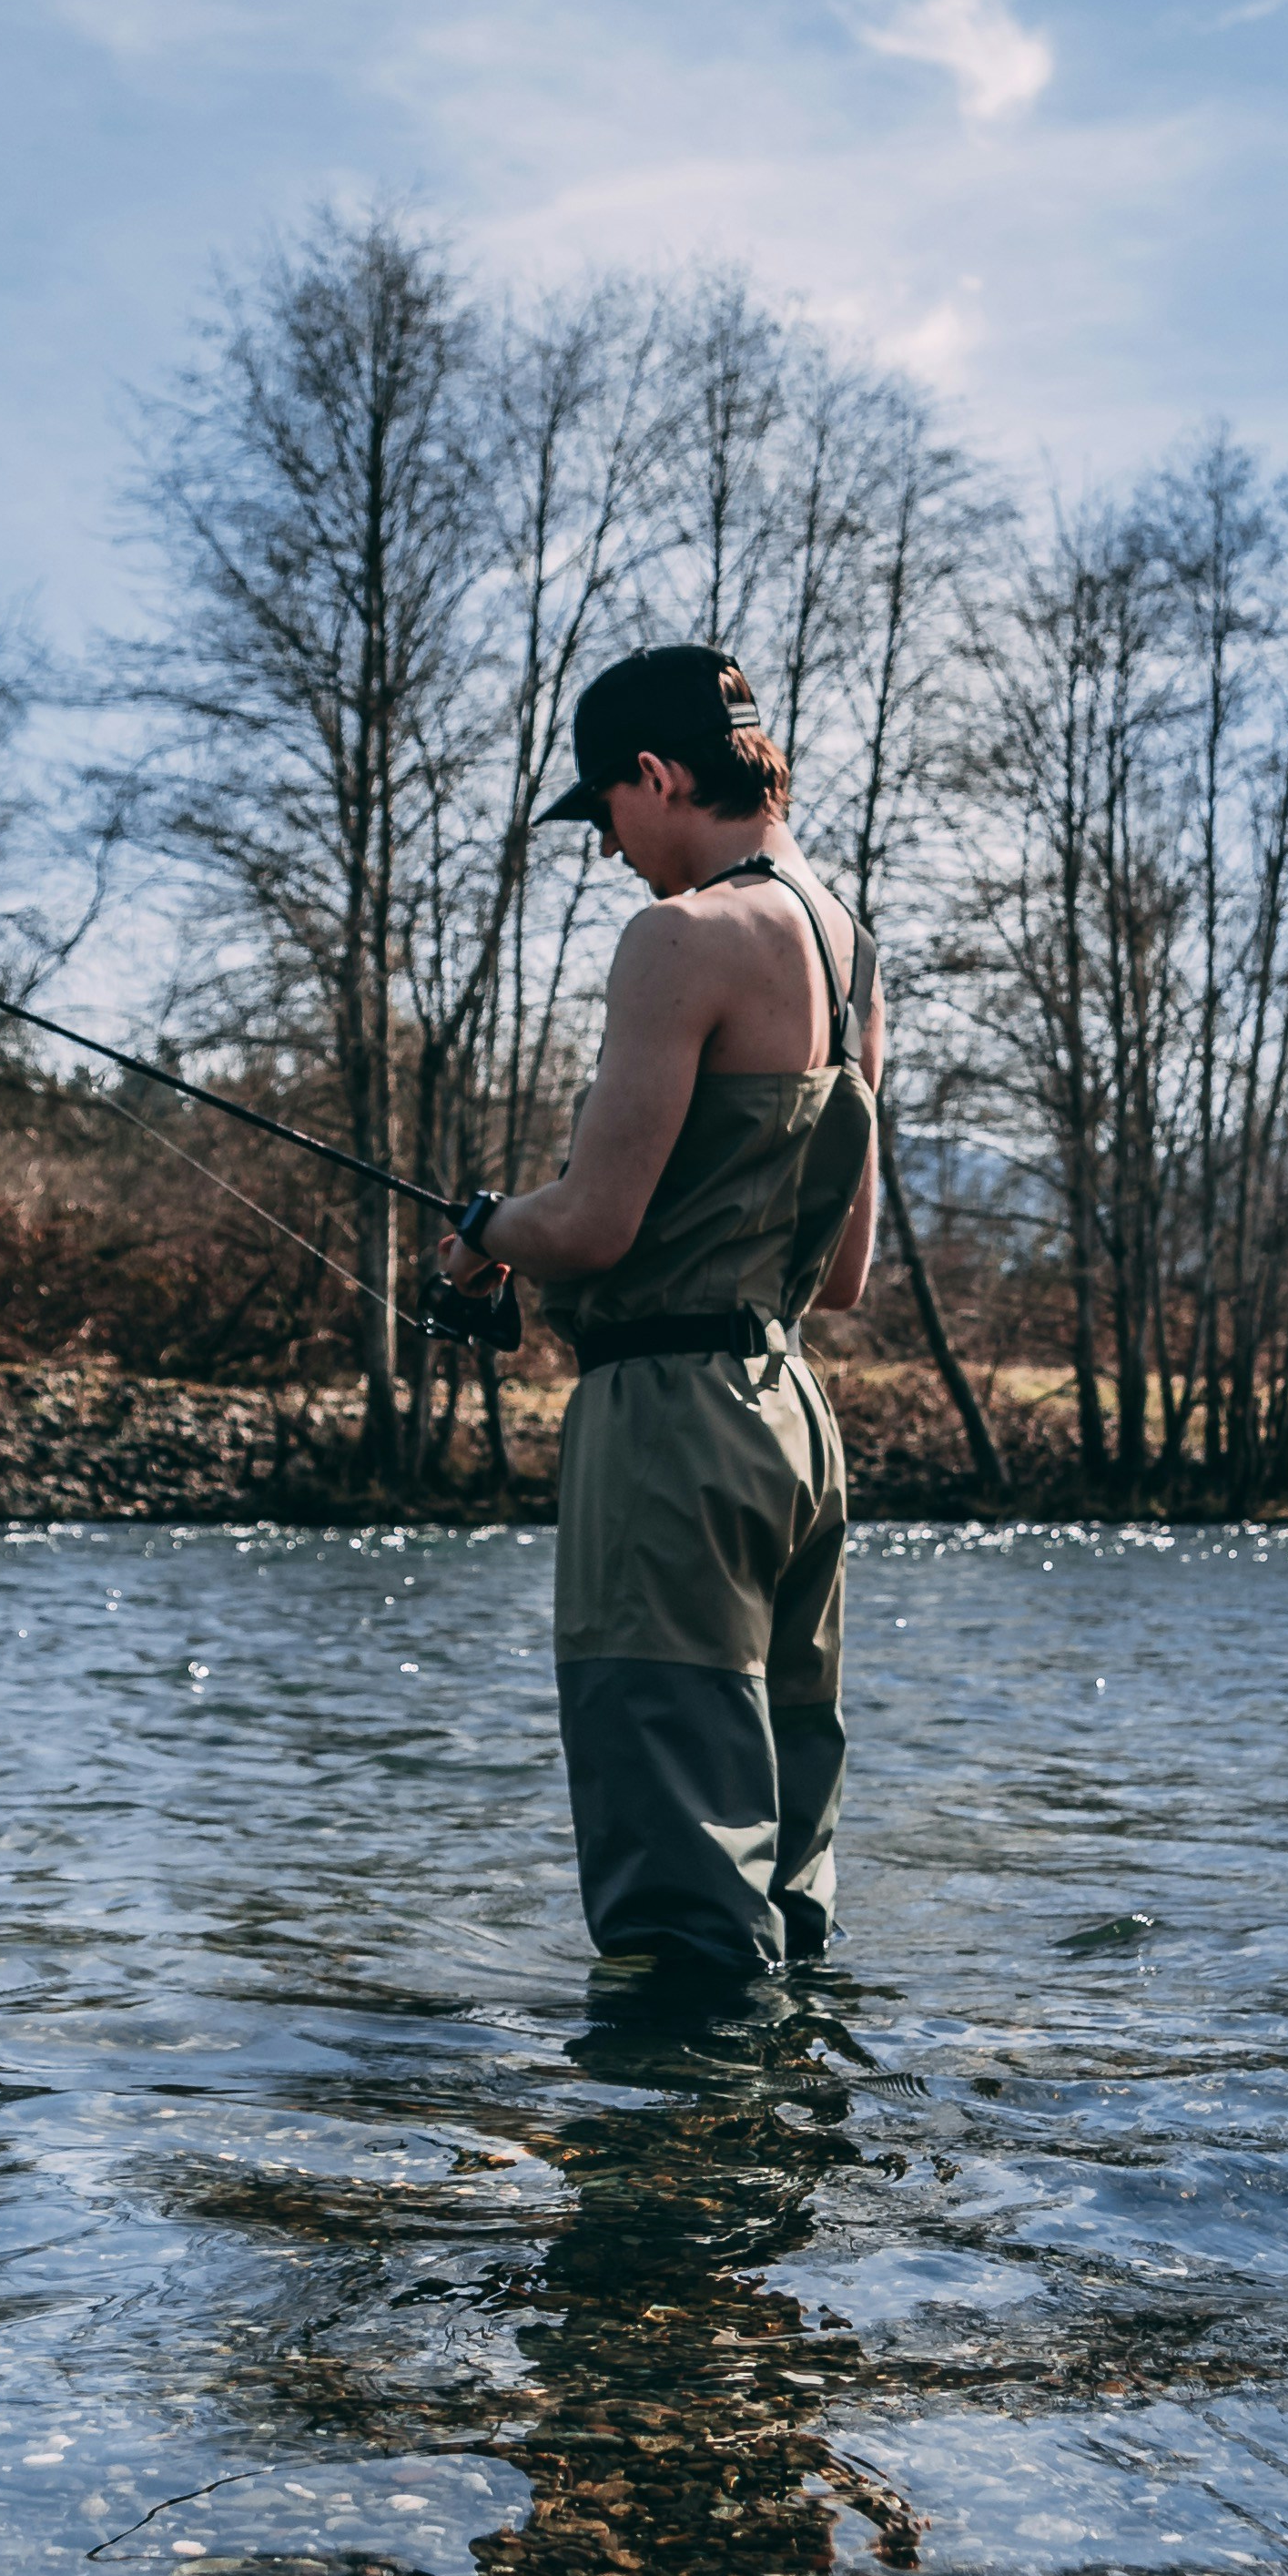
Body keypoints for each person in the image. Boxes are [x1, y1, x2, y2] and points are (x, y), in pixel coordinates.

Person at [440, 643, 884, 1982]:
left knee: (678, 1897)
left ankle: (668, 2187)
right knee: (784, 1882)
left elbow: (591, 1226)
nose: (613, 849)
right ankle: (789, 2163)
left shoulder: (680, 940)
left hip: (668, 1435)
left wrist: (479, 1234)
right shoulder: (851, 951)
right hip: (792, 1431)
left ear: (656, 774)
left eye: (608, 813)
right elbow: (849, 1276)